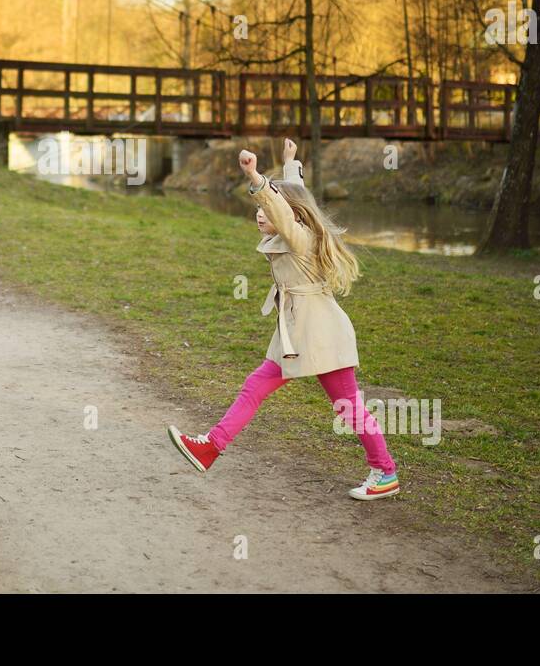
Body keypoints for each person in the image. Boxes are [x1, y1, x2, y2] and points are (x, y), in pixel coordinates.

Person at [167, 139, 400, 500]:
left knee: (349, 408)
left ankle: (385, 472)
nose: (260, 214)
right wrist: (291, 167)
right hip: (295, 334)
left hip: (320, 334)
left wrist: (256, 178)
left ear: (288, 216)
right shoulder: (294, 232)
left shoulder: (299, 239)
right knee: (255, 386)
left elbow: (284, 208)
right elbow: (295, 199)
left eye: (267, 210)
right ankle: (210, 446)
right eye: (259, 209)